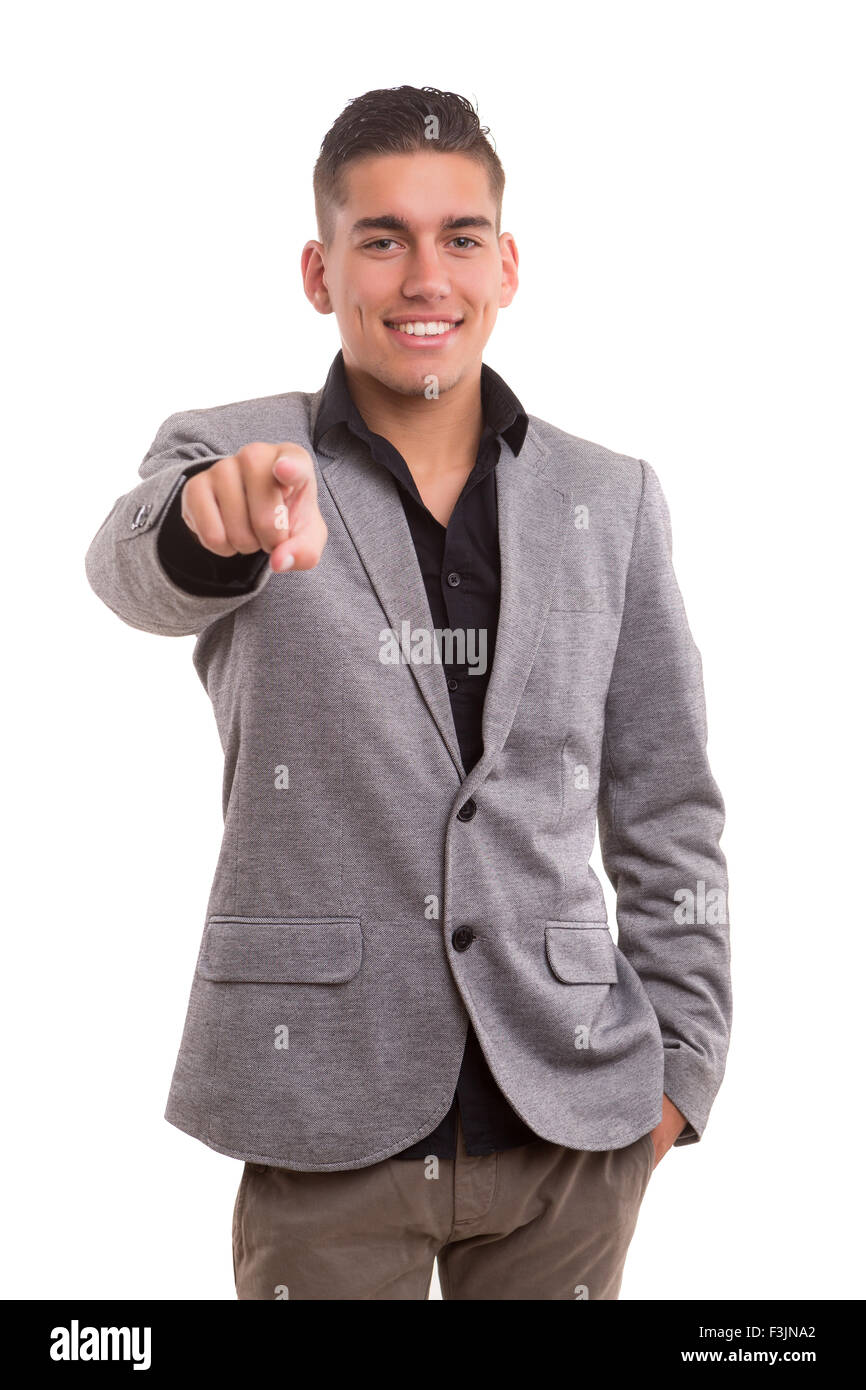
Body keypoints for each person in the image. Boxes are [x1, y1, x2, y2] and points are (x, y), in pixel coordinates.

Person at [85, 85, 731, 1301]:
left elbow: (667, 802)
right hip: (321, 1112)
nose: (424, 276)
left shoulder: (612, 497)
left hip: (570, 1124)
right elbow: (129, 568)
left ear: (506, 266)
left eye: (459, 237)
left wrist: (679, 1073)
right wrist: (208, 525)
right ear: (320, 272)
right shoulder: (237, 453)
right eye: (381, 239)